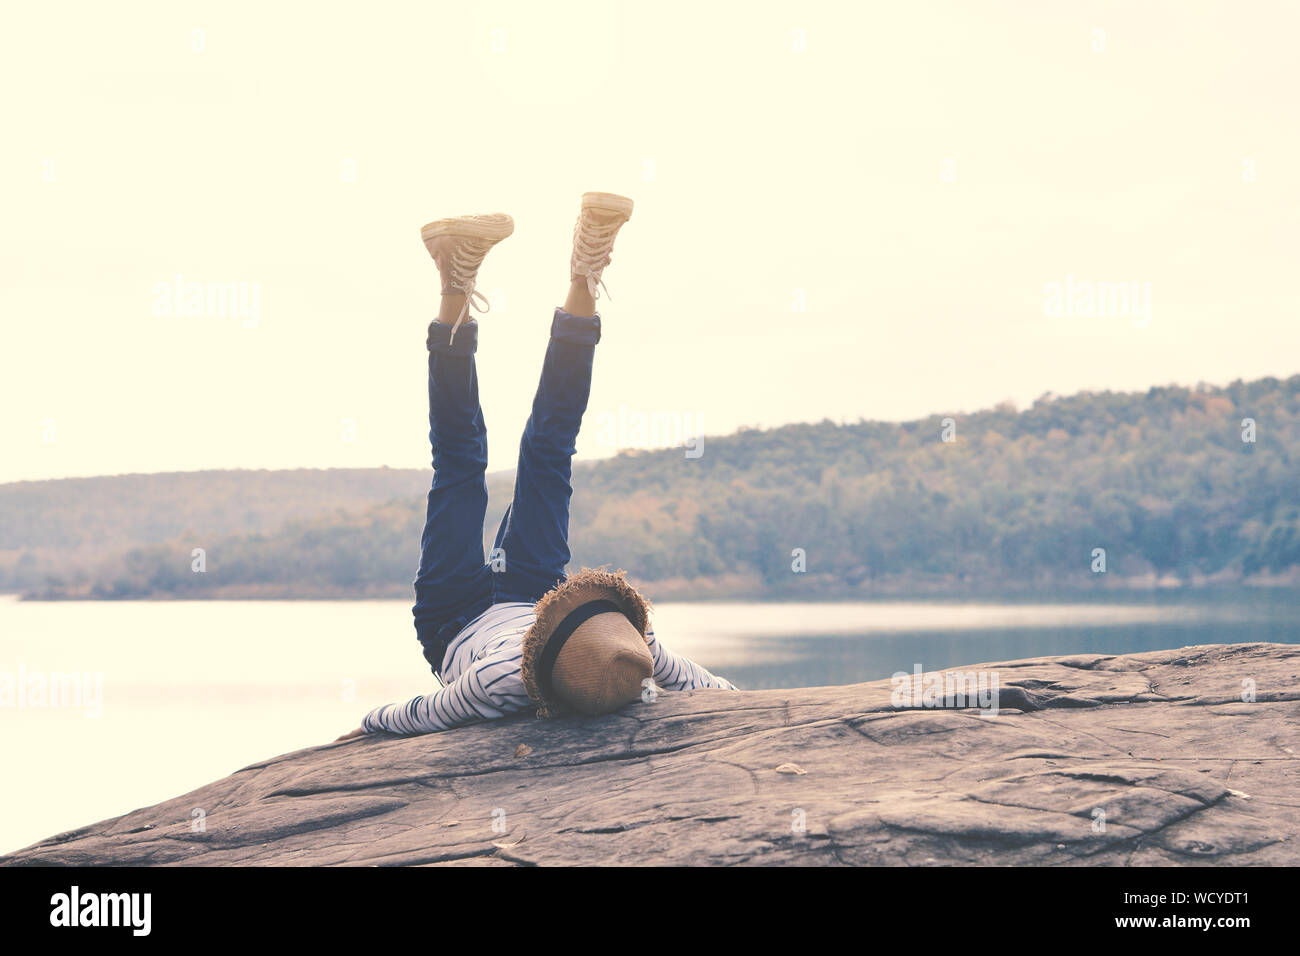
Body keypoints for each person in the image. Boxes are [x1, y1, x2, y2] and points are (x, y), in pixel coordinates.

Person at [338, 193, 735, 740]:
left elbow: (412, 715)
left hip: (453, 618)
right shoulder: (627, 649)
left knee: (460, 464)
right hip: (534, 590)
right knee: (549, 452)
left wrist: (363, 729)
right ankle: (586, 273)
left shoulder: (499, 684)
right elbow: (712, 690)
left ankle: (452, 280)